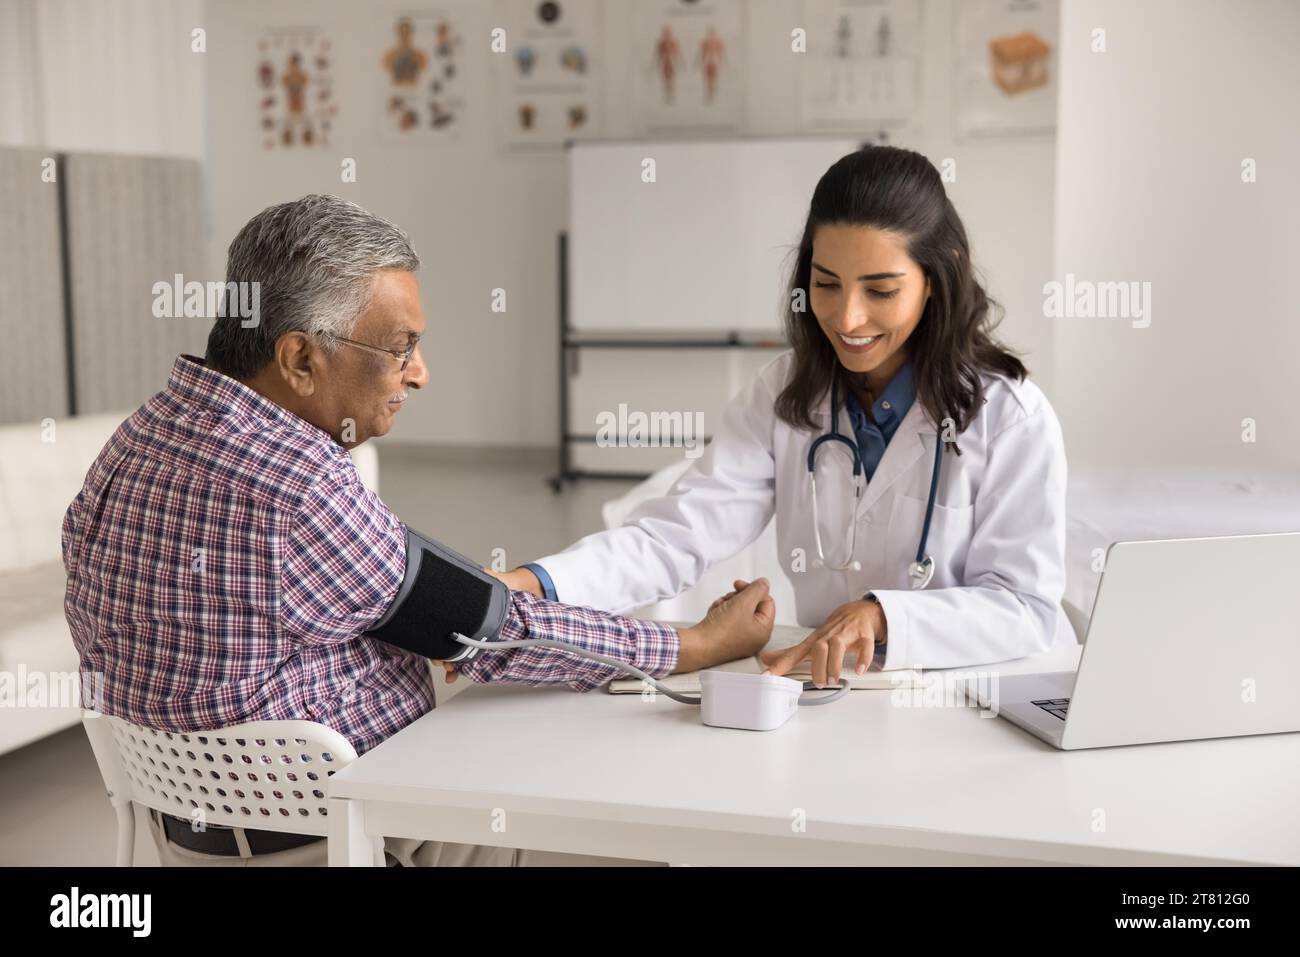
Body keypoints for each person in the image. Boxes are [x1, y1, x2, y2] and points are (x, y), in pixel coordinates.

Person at [61, 195, 773, 867]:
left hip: (182, 832)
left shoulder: (136, 439)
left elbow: (407, 594)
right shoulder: (298, 483)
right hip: (342, 838)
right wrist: (693, 643)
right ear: (301, 358)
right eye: (401, 348)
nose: (420, 373)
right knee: (648, 825)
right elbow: (491, 632)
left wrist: (461, 607)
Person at [496, 145, 1070, 688]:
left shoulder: (1010, 418)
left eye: (881, 291)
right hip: (828, 685)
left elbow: (1025, 608)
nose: (847, 317)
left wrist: (881, 617)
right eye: (826, 284)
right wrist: (533, 585)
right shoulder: (784, 393)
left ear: (937, 278)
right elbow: (676, 536)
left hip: (967, 696)